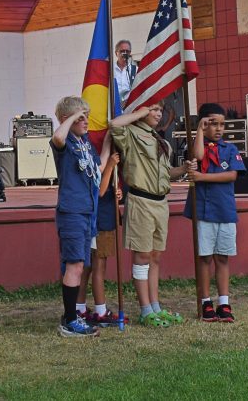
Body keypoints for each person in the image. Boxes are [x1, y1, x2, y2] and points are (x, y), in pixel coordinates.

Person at [110, 102, 194, 327]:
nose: (157, 114)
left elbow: (166, 174)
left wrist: (184, 170)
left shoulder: (161, 140)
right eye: (153, 109)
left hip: (160, 203)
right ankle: (145, 309)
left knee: (156, 256)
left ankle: (155, 306)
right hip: (141, 201)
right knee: (142, 256)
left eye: (159, 110)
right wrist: (139, 113)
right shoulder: (131, 134)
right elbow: (114, 124)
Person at [51, 96, 115, 337]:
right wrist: (68, 119)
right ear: (68, 120)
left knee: (80, 264)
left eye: (86, 116)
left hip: (89, 212)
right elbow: (57, 137)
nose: (86, 121)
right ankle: (69, 321)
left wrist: (108, 143)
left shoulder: (85, 143)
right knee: (74, 265)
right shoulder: (64, 141)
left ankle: (72, 315)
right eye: (81, 117)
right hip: (72, 212)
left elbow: (97, 169)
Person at [186, 103, 245, 322]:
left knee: (223, 257)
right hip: (204, 210)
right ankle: (205, 302)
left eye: (222, 124)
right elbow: (199, 156)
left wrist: (202, 178)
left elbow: (232, 175)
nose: (219, 129)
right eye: (212, 124)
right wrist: (199, 131)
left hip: (225, 210)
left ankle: (224, 302)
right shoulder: (196, 144)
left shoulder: (229, 149)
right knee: (204, 258)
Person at [77, 150, 123, 327]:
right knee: (98, 267)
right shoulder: (98, 161)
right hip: (100, 221)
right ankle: (101, 311)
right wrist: (110, 165)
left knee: (89, 267)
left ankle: (79, 307)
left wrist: (118, 192)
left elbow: (109, 189)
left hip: (102, 218)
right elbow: (100, 190)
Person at [114, 39, 137, 105]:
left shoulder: (135, 70)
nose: (125, 53)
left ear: (130, 53)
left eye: (127, 51)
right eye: (122, 51)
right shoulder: (110, 70)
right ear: (116, 53)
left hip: (130, 106)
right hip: (114, 106)